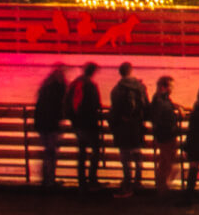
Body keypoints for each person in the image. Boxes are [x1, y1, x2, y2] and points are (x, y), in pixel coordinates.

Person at [108, 61, 149, 194]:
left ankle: (127, 181)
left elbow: (114, 110)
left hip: (123, 127)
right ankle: (138, 180)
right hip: (137, 125)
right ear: (131, 71)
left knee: (125, 156)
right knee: (137, 154)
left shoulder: (117, 89)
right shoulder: (140, 87)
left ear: (120, 73)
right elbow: (146, 106)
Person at [66, 61, 104, 188]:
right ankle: (92, 178)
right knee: (95, 151)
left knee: (82, 152)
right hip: (90, 124)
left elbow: (67, 103)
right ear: (93, 72)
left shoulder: (75, 83)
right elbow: (96, 105)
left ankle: (81, 180)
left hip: (77, 124)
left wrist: (73, 120)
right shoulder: (91, 85)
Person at [32, 64, 68, 188]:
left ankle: (45, 179)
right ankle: (50, 180)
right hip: (52, 124)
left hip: (42, 124)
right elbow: (61, 107)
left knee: (47, 152)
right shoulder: (60, 87)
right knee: (51, 152)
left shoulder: (45, 87)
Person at [149, 76, 181, 192]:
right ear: (164, 87)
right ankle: (162, 188)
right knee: (167, 163)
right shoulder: (160, 101)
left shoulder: (160, 99)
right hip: (166, 136)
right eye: (170, 86)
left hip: (163, 135)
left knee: (165, 162)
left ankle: (162, 186)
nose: (172, 89)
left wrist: (175, 106)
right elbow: (163, 117)